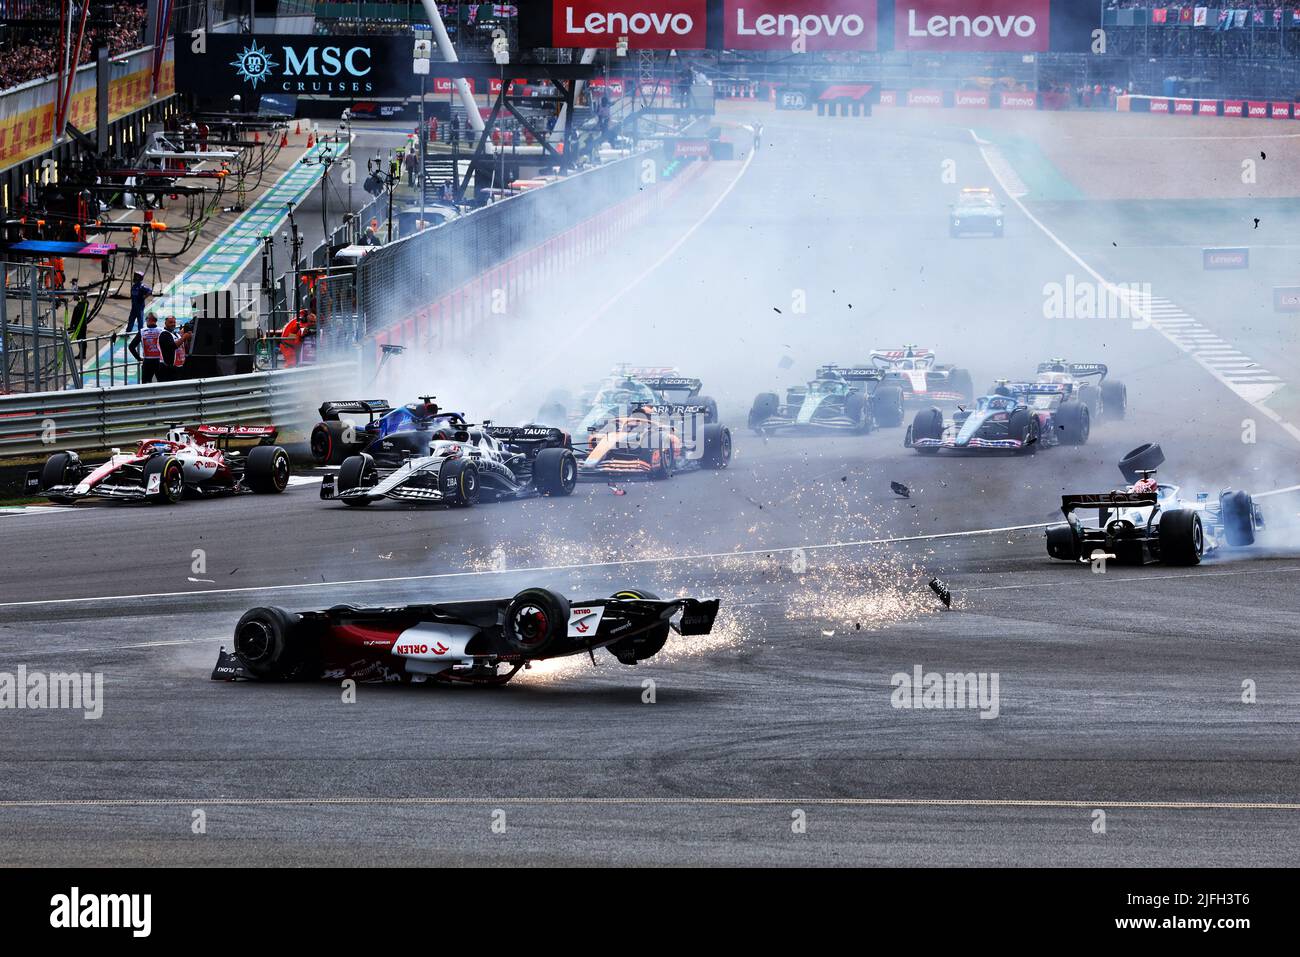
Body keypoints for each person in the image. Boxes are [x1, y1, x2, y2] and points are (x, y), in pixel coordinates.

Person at [128, 314, 163, 383]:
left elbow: (131, 347)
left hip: (147, 361)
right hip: (160, 361)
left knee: (145, 385)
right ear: (156, 320)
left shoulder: (142, 331)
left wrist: (139, 358)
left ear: (148, 320)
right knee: (162, 384)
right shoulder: (162, 331)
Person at [66, 290, 91, 364]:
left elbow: (74, 318)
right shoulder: (85, 304)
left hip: (78, 325)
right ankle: (83, 354)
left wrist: (71, 326)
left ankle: (82, 354)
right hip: (83, 325)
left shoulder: (78, 307)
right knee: (83, 338)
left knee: (80, 339)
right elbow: (86, 301)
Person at [126, 270, 151, 335]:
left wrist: (144, 297)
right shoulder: (134, 286)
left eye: (137, 277)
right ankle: (127, 332)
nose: (135, 278)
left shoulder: (142, 286)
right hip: (134, 306)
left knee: (140, 321)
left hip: (139, 307)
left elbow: (150, 290)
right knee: (131, 319)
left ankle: (141, 334)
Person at [157, 316, 181, 381]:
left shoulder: (176, 334)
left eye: (174, 322)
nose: (173, 324)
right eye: (170, 322)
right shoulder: (164, 334)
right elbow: (173, 346)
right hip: (167, 368)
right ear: (165, 323)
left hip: (176, 366)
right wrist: (184, 338)